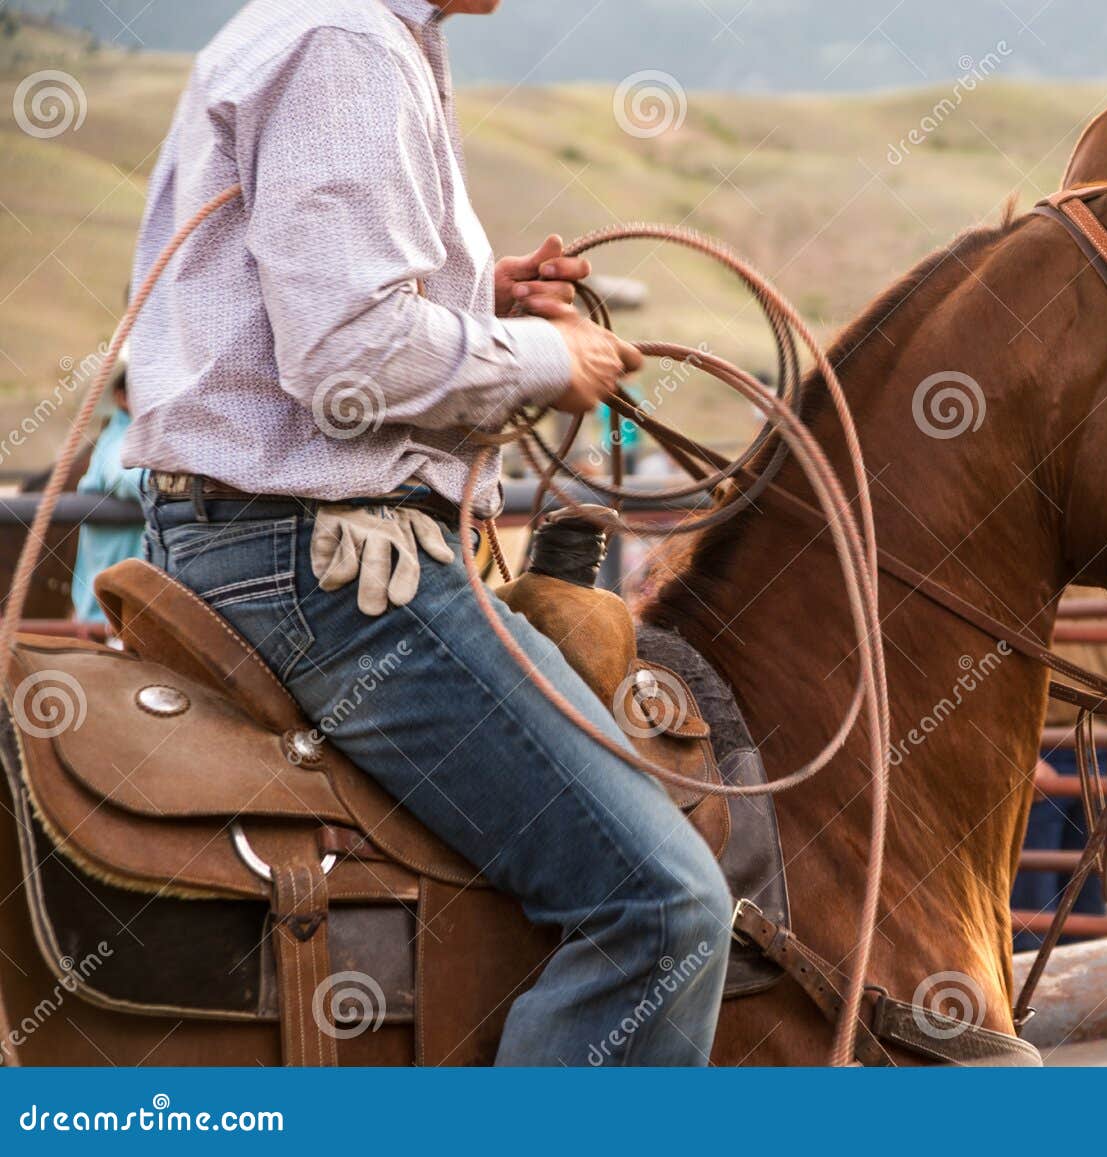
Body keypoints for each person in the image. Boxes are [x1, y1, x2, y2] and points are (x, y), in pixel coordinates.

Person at [125, 0, 731, 1065]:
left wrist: (478, 300)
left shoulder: (319, 27)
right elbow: (350, 360)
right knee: (666, 910)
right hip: (326, 572)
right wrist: (550, 363)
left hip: (258, 544)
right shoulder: (346, 43)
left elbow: (298, 302)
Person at [1012, 588, 1107, 949]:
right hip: (1043, 742)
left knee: (1087, 889)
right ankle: (1032, 996)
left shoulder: (1102, 579)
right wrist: (1020, 752)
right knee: (1032, 898)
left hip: (1099, 743)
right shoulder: (1031, 576)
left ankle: (1084, 989)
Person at [70, 346, 145, 624]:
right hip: (114, 616)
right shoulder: (119, 441)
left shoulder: (128, 439)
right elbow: (127, 475)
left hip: (121, 610)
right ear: (122, 397)